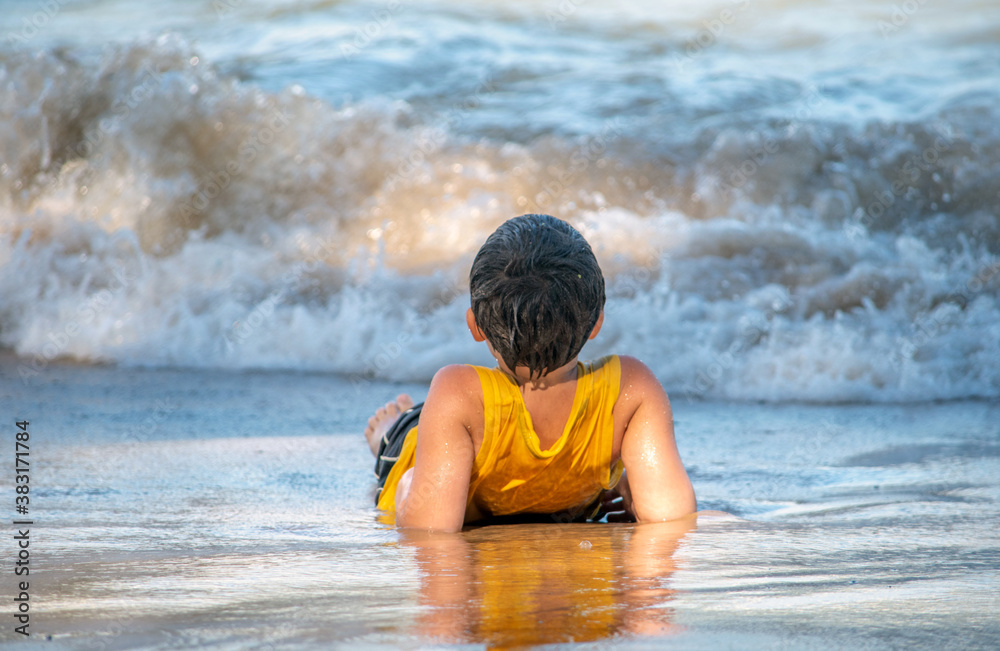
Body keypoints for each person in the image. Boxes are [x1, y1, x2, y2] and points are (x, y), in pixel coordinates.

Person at [364, 214, 696, 532]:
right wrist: (408, 481)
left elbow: (429, 527)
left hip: (461, 422)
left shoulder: (457, 392)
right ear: (596, 322)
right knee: (407, 437)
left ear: (475, 326)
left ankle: (393, 428)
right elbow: (670, 517)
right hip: (414, 448)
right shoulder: (631, 389)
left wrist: (414, 488)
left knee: (424, 423)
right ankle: (387, 437)